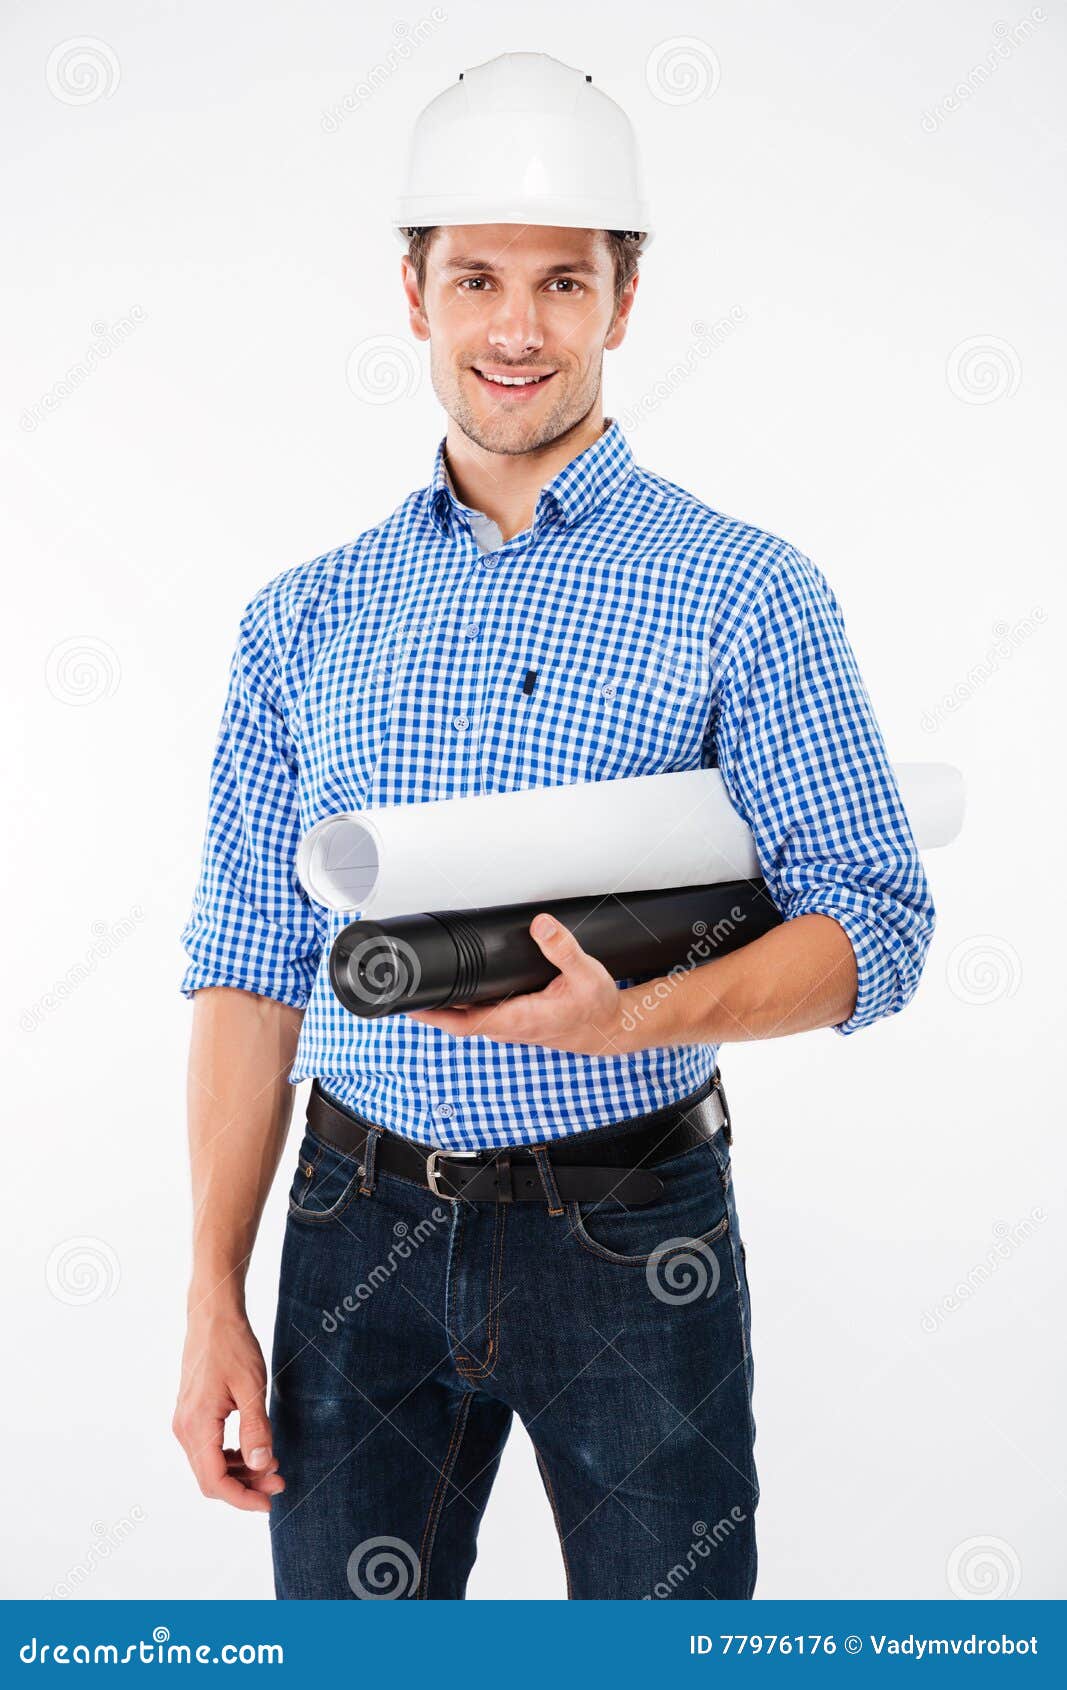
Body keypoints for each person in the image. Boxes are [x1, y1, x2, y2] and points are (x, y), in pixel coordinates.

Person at [172, 51, 935, 1601]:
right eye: (477, 279)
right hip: (349, 1229)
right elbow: (250, 968)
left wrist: (639, 1013)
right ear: (415, 296)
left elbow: (879, 924)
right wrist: (210, 1291)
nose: (516, 328)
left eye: (563, 282)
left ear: (623, 302)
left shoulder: (744, 591)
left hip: (629, 1225)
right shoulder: (305, 618)